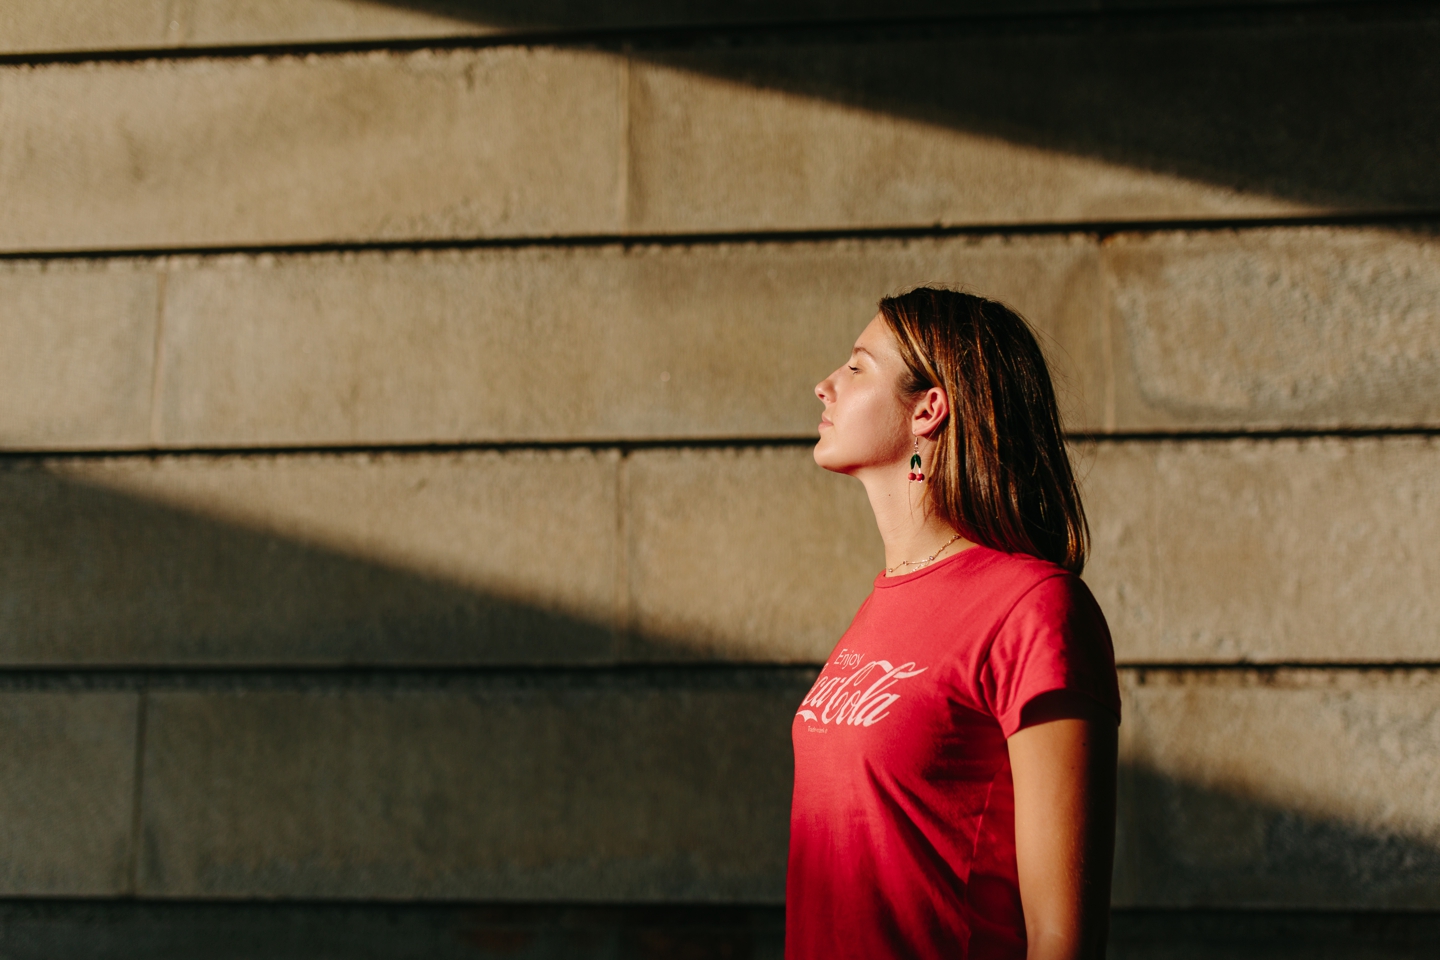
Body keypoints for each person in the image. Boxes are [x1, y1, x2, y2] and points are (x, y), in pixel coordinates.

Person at [788, 287, 1120, 960]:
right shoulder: (884, 601)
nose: (823, 386)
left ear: (928, 410)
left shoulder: (1033, 608)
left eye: (856, 367)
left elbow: (1062, 939)